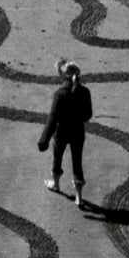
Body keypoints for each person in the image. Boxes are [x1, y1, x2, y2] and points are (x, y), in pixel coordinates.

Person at [38, 59, 93, 207]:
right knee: (77, 163)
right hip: (78, 133)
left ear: (63, 76)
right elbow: (87, 115)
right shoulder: (85, 92)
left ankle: (56, 184)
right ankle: (79, 198)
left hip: (61, 133)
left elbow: (53, 119)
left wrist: (44, 140)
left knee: (57, 158)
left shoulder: (60, 94)